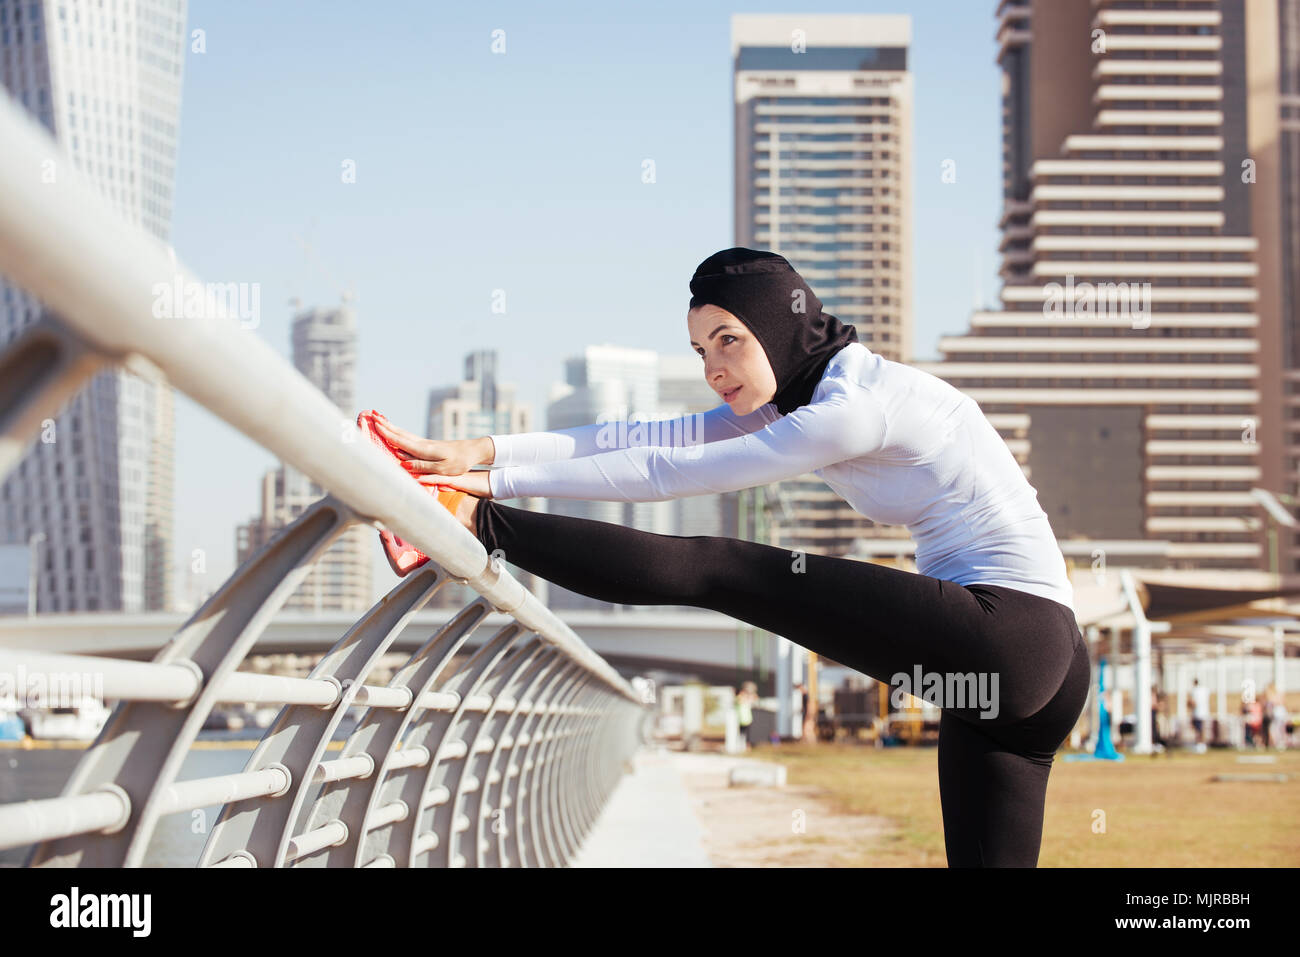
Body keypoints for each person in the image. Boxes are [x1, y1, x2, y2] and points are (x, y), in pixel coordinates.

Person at [371, 247, 1089, 868]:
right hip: (1036, 666)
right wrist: (484, 451)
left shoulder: (854, 406)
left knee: (725, 568)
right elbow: (642, 437)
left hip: (1008, 634)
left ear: (777, 327)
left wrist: (481, 493)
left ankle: (472, 522)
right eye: (700, 351)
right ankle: (468, 510)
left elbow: (664, 472)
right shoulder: (807, 394)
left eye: (729, 341)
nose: (715, 368)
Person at [736, 681, 758, 750]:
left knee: (747, 734)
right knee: (741, 734)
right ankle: (741, 746)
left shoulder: (748, 699)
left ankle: (747, 746)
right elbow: (740, 700)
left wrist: (750, 695)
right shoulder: (740, 698)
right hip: (741, 720)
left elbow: (755, 698)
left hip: (747, 719)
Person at [1190, 678, 1210, 752]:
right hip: (1204, 713)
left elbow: (1193, 703)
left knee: (1198, 730)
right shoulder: (1205, 690)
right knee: (1202, 729)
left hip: (1197, 713)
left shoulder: (1194, 691)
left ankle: (1199, 745)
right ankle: (1202, 745)